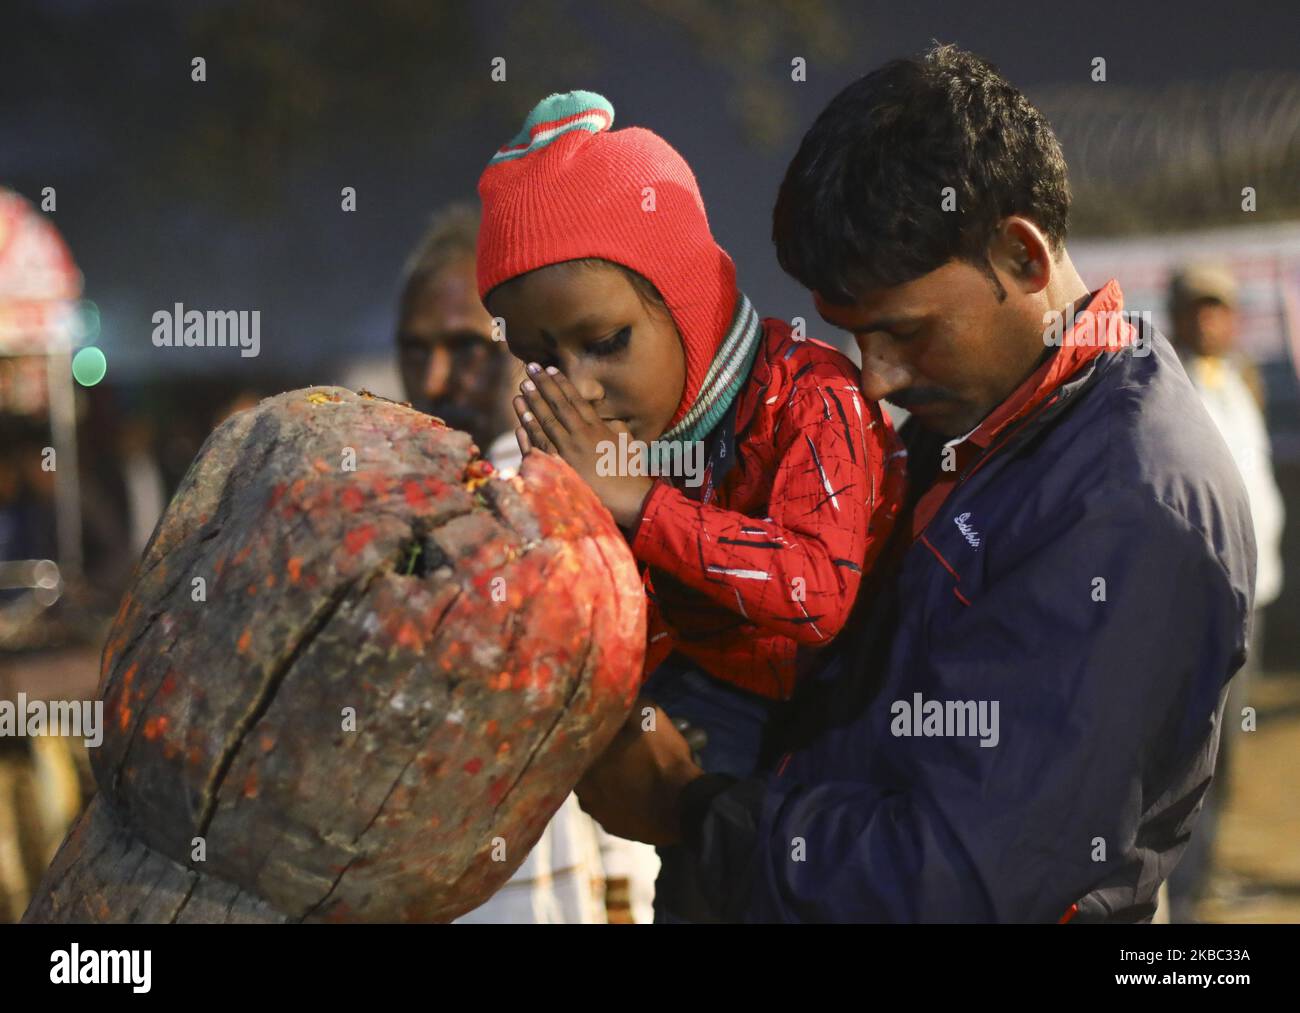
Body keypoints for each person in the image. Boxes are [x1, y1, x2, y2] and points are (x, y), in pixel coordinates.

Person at [573, 45, 1256, 923]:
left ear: (1021, 255)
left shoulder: (1130, 507)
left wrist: (692, 809)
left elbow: (962, 882)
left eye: (903, 332)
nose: (876, 378)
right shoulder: (992, 419)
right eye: (856, 339)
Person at [475, 91, 906, 921]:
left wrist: (637, 502)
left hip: (841, 779)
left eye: (605, 342)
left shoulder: (812, 398)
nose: (580, 385)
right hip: (708, 792)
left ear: (683, 298)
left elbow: (817, 589)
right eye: (542, 359)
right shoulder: (597, 444)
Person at [395, 204, 657, 923]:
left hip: (558, 890)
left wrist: (624, 891)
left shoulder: (581, 498)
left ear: (530, 349)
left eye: (466, 346)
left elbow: (619, 720)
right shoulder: (394, 504)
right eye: (416, 350)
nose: (438, 375)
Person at [1163, 262, 1285, 921]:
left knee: (1232, 748)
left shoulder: (1242, 381)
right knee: (1194, 757)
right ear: (1178, 315)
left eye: (1220, 308)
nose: (1210, 320)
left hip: (1256, 594)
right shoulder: (1164, 387)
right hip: (1201, 607)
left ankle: (1203, 879)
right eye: (1197, 308)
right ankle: (1176, 899)